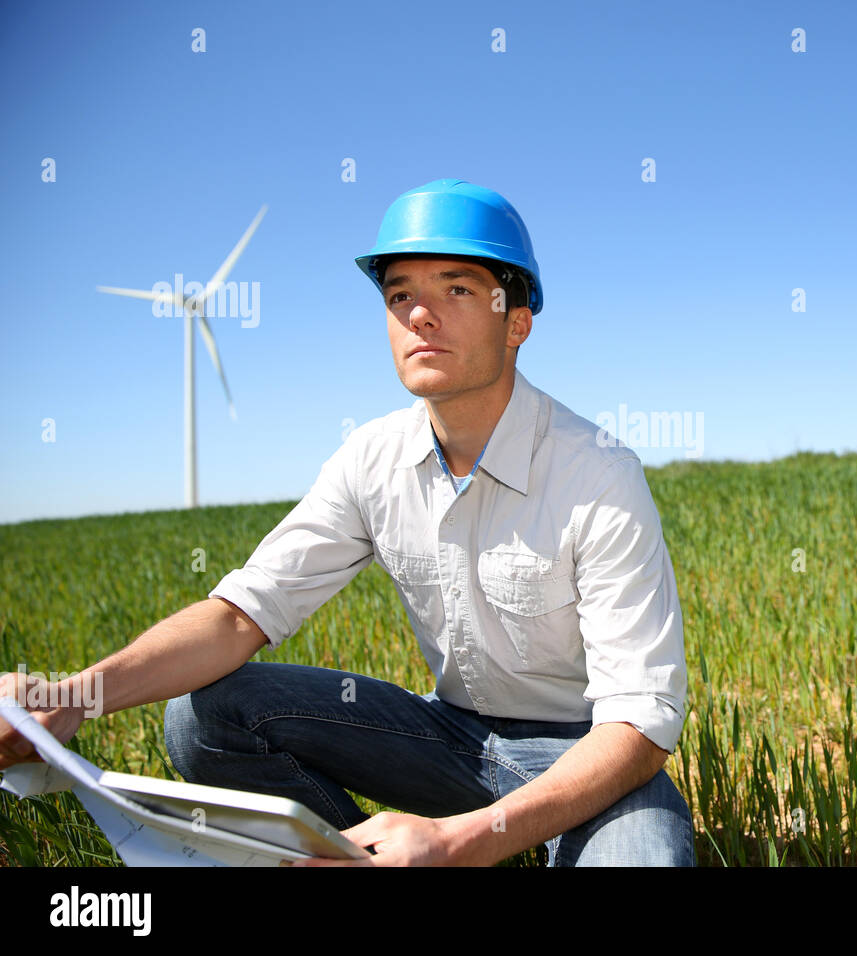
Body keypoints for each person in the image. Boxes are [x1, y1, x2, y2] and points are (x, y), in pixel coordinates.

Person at [0, 178, 694, 867]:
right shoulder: (372, 459)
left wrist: (461, 840)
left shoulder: (597, 473)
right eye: (400, 296)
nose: (420, 315)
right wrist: (70, 696)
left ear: (516, 321)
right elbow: (241, 615)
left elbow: (640, 726)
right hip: (447, 737)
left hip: (587, 752)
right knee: (207, 715)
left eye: (455, 290)